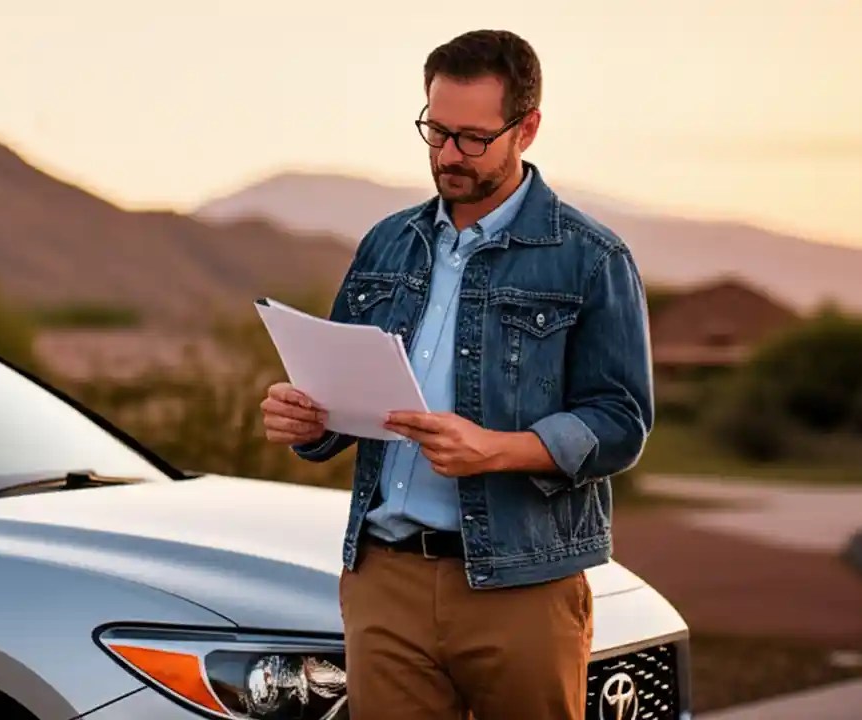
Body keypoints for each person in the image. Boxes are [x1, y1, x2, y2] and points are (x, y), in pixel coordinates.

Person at [260, 28, 654, 720]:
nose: (448, 155)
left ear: (525, 128)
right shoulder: (387, 243)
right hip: (385, 581)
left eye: (472, 138)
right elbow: (340, 399)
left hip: (522, 586)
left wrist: (495, 450)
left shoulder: (591, 258)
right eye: (436, 131)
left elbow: (620, 422)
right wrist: (306, 419)